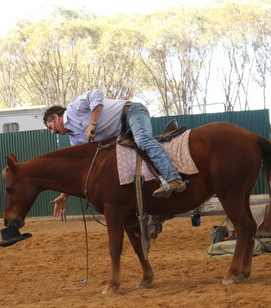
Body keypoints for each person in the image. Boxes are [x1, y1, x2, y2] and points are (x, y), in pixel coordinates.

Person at [43, 89, 187, 217]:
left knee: (143, 141)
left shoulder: (73, 108)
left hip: (131, 111)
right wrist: (64, 195)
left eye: (51, 127)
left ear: (56, 117)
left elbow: (96, 93)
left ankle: (173, 178)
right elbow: (76, 167)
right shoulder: (74, 139)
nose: (53, 132)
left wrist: (92, 124)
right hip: (122, 132)